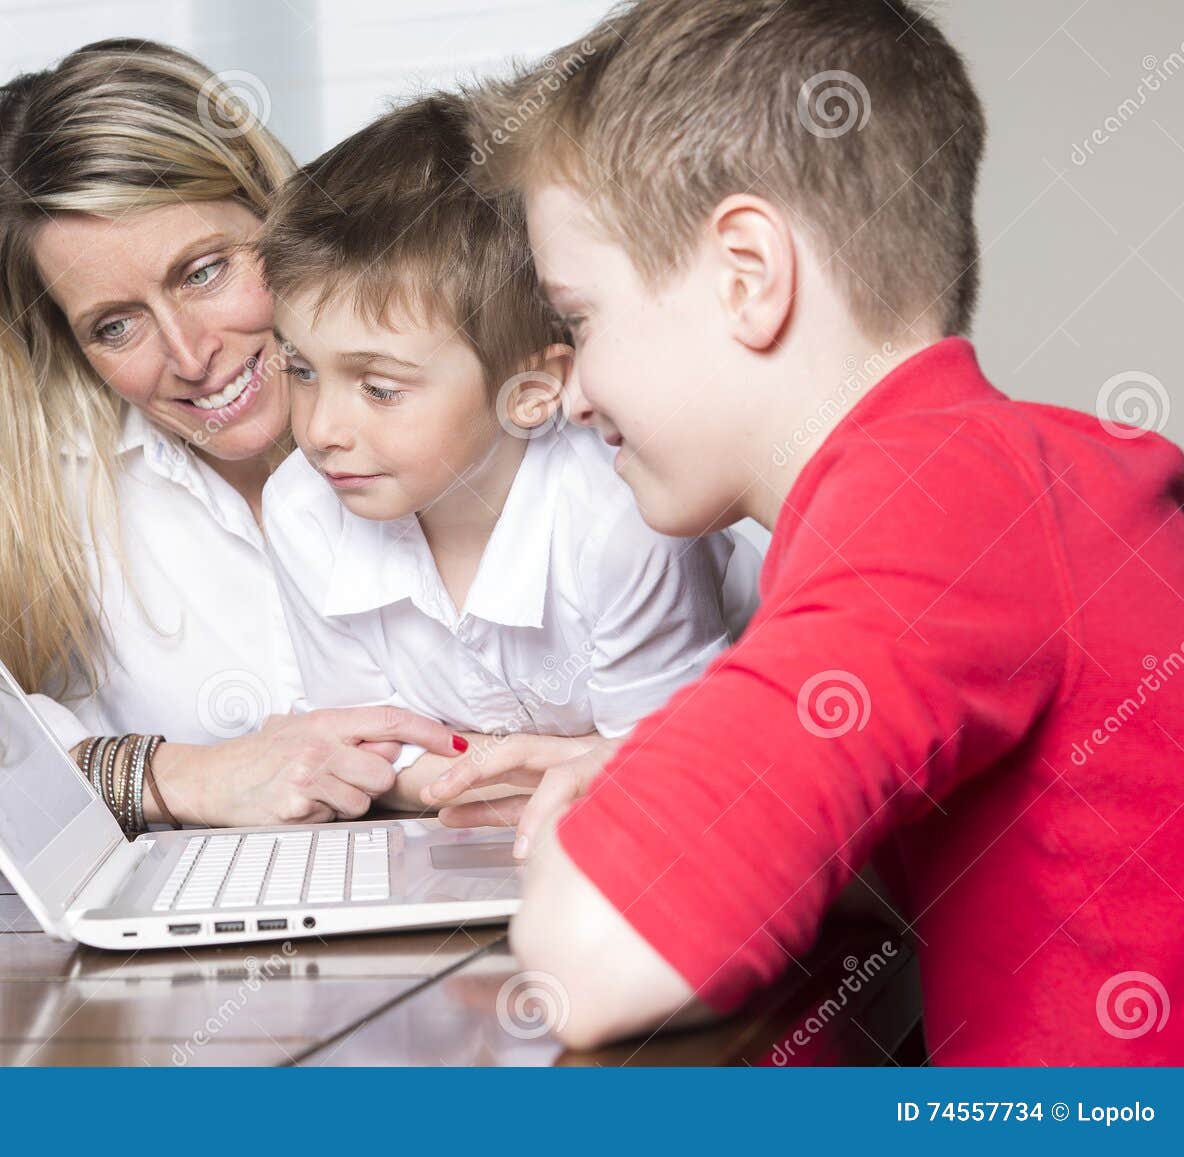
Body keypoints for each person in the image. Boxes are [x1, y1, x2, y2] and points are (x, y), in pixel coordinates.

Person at [437, 0, 1184, 1063]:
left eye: (578, 320)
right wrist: (654, 760)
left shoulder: (934, 493)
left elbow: (601, 950)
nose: (571, 393)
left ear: (748, 274)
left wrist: (599, 834)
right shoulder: (996, 470)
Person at [0, 39, 473, 843]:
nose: (191, 355)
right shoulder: (47, 494)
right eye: (116, 325)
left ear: (276, 210)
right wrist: (168, 774)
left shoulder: (462, 391)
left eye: (204, 272)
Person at [254, 93, 759, 814]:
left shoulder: (622, 515)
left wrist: (485, 775)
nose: (319, 430)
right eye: (301, 369)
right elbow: (364, 758)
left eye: (379, 387)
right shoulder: (302, 506)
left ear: (531, 389)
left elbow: (661, 777)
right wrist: (562, 767)